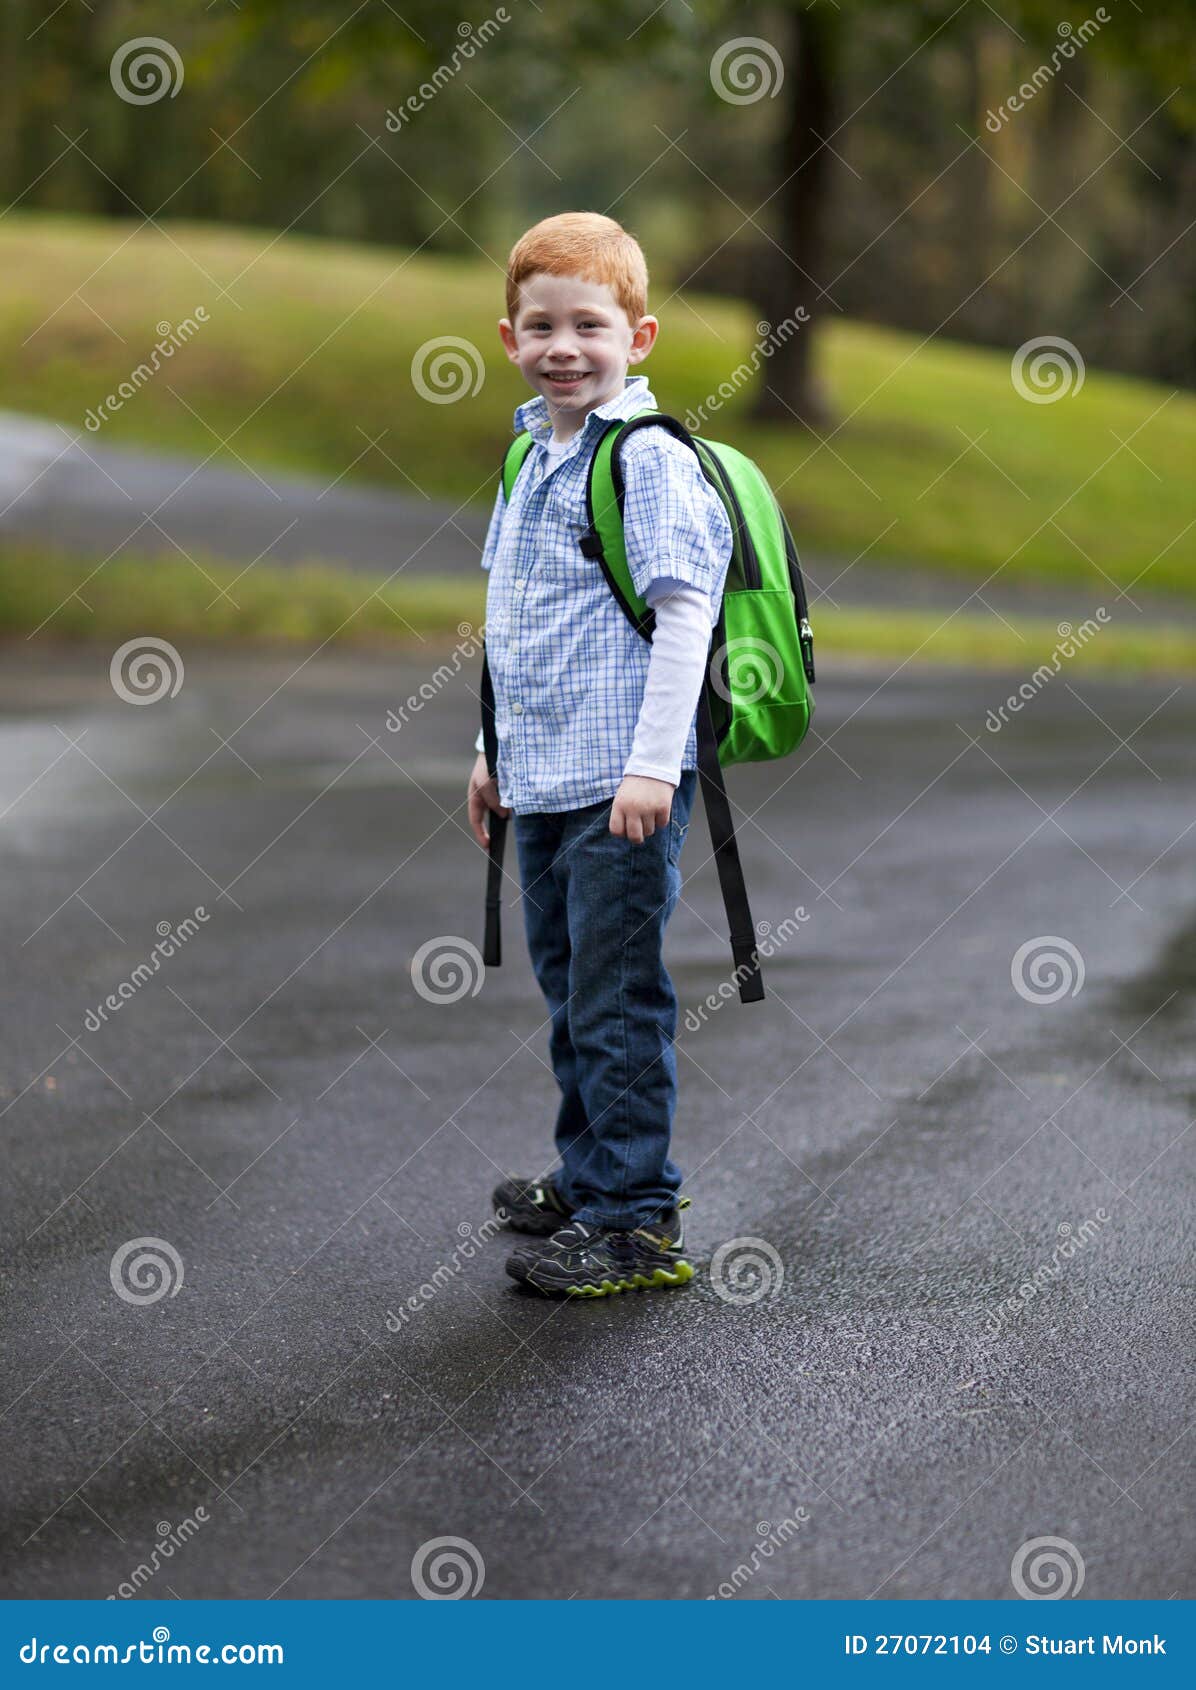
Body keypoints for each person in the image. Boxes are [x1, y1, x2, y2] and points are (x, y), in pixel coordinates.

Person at [466, 211, 733, 1298]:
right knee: (573, 987)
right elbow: (507, 616)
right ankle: (590, 1178)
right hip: (541, 775)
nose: (563, 345)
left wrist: (650, 769)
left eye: (589, 324)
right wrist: (488, 749)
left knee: (617, 1001)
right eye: (542, 325)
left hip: (620, 786)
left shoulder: (647, 462)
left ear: (640, 335)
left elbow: (683, 616)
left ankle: (633, 1221)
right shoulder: (532, 456)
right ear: (507, 336)